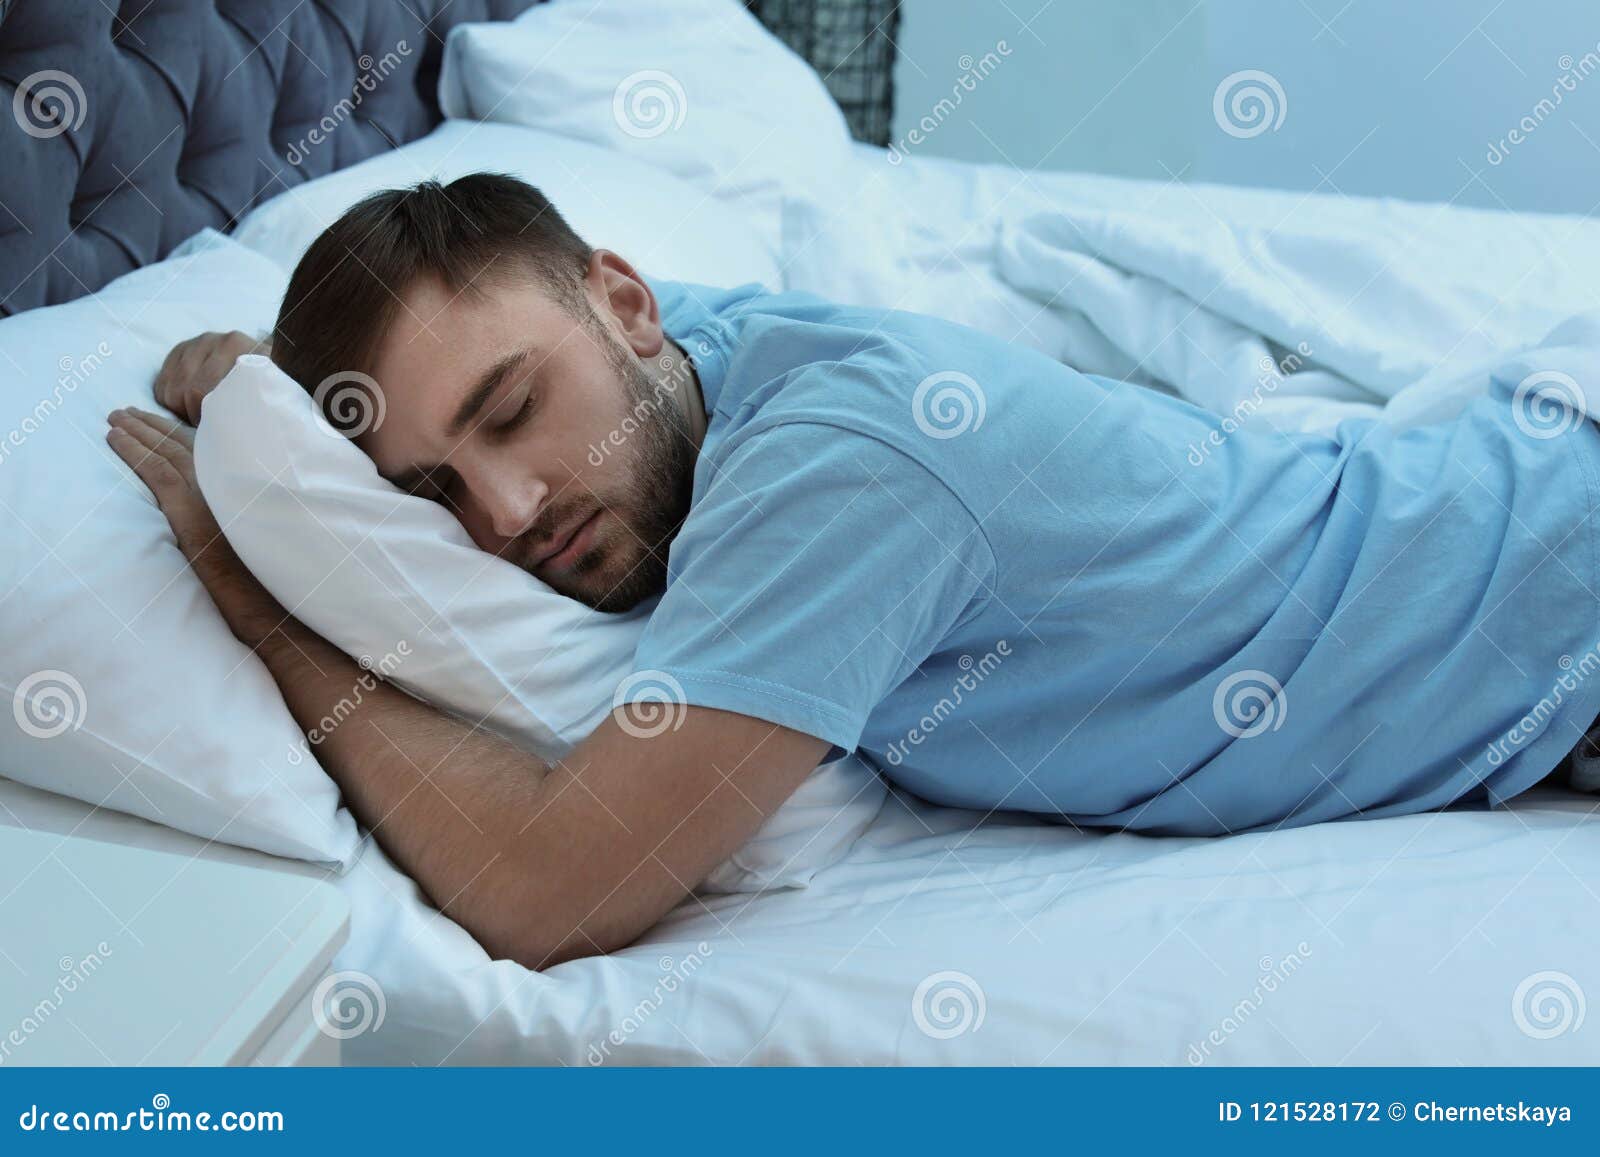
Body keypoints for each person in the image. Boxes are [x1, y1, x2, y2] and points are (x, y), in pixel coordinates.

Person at [105, 174, 1600, 969]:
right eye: (427, 490)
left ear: (624, 302)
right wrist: (266, 400)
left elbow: (545, 889)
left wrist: (247, 595)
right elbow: (435, 366)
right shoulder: (675, 357)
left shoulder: (834, 479)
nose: (500, 516)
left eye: (511, 413)